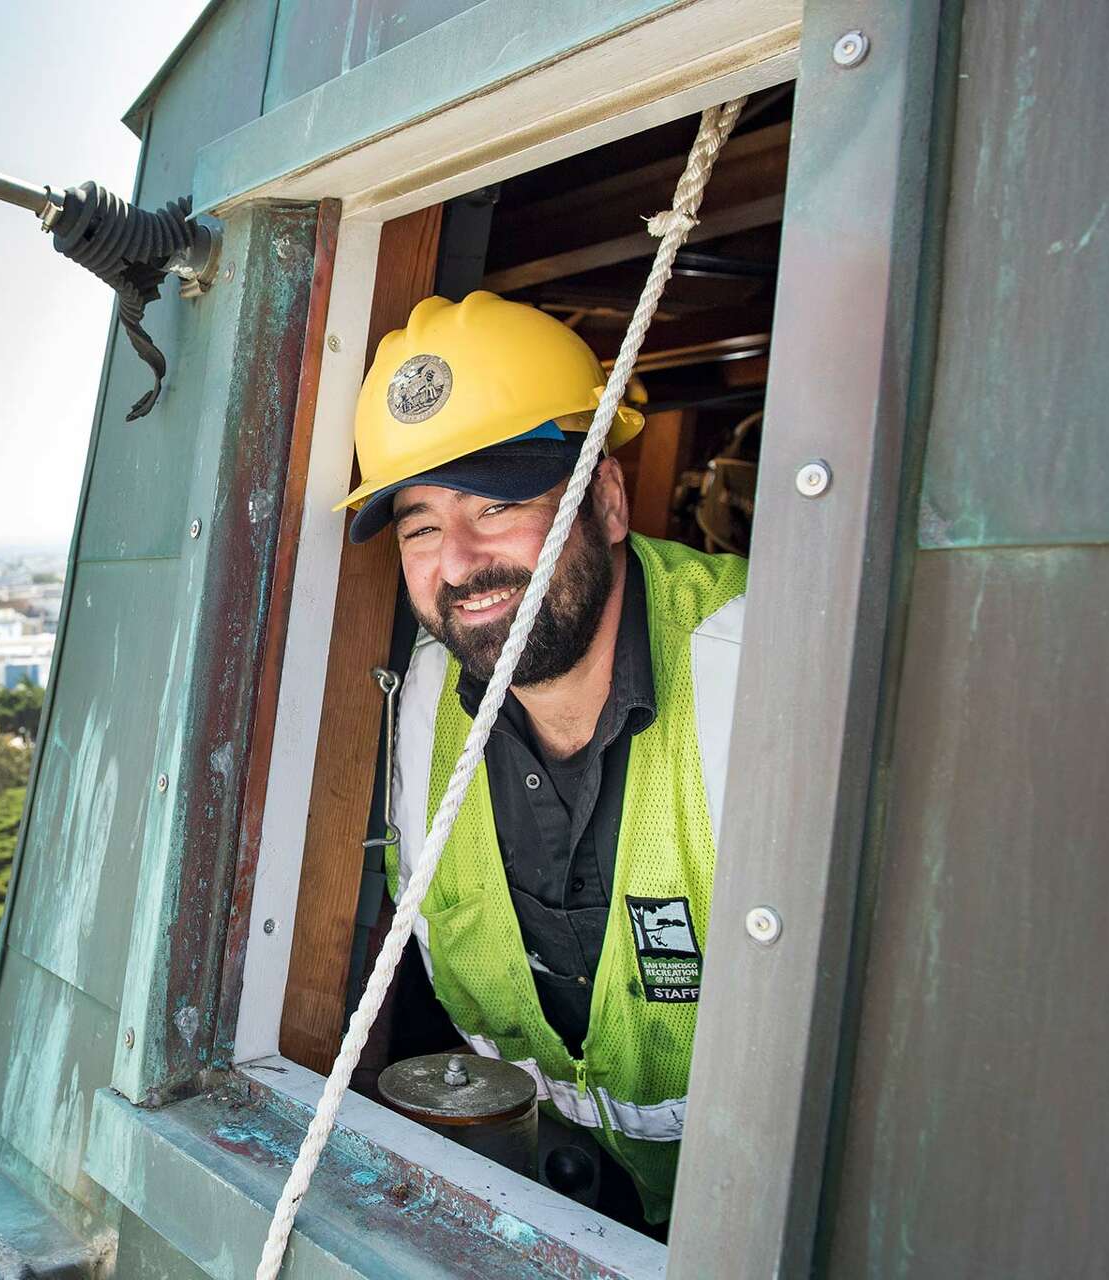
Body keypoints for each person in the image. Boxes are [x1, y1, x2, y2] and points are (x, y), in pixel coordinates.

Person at [339, 291, 747, 1229]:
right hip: (540, 1204)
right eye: (421, 525)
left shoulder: (762, 674)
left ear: (606, 500)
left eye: (500, 501)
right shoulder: (418, 713)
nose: (461, 561)